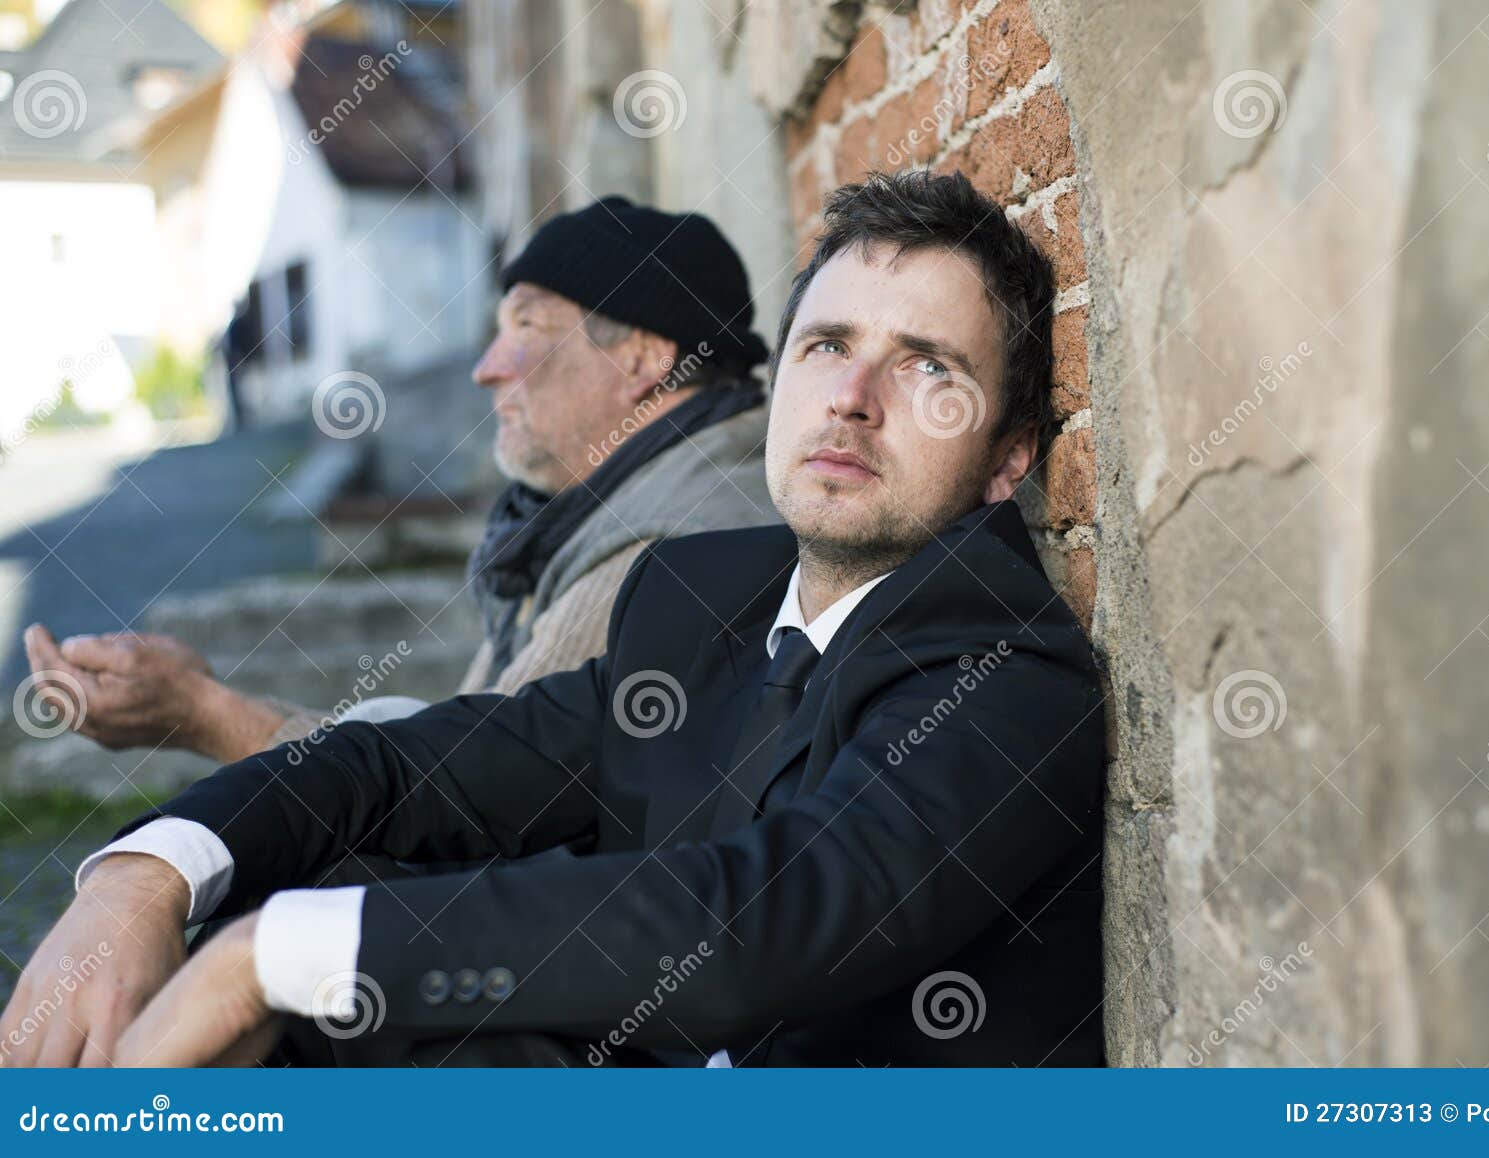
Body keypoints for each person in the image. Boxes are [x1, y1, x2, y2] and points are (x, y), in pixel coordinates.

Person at [0, 170, 1105, 1069]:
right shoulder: (703, 597)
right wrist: (148, 874)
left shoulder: (1011, 677)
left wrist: (262, 956)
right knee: (329, 918)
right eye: (826, 345)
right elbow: (415, 770)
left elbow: (750, 928)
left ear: (1007, 462)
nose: (853, 396)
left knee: (315, 961)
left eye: (926, 368)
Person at [21, 196, 777, 761]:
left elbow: (468, 788)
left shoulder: (668, 541)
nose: (486, 367)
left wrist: (204, 713)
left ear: (642, 360)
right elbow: (465, 739)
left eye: (525, 327)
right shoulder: (606, 512)